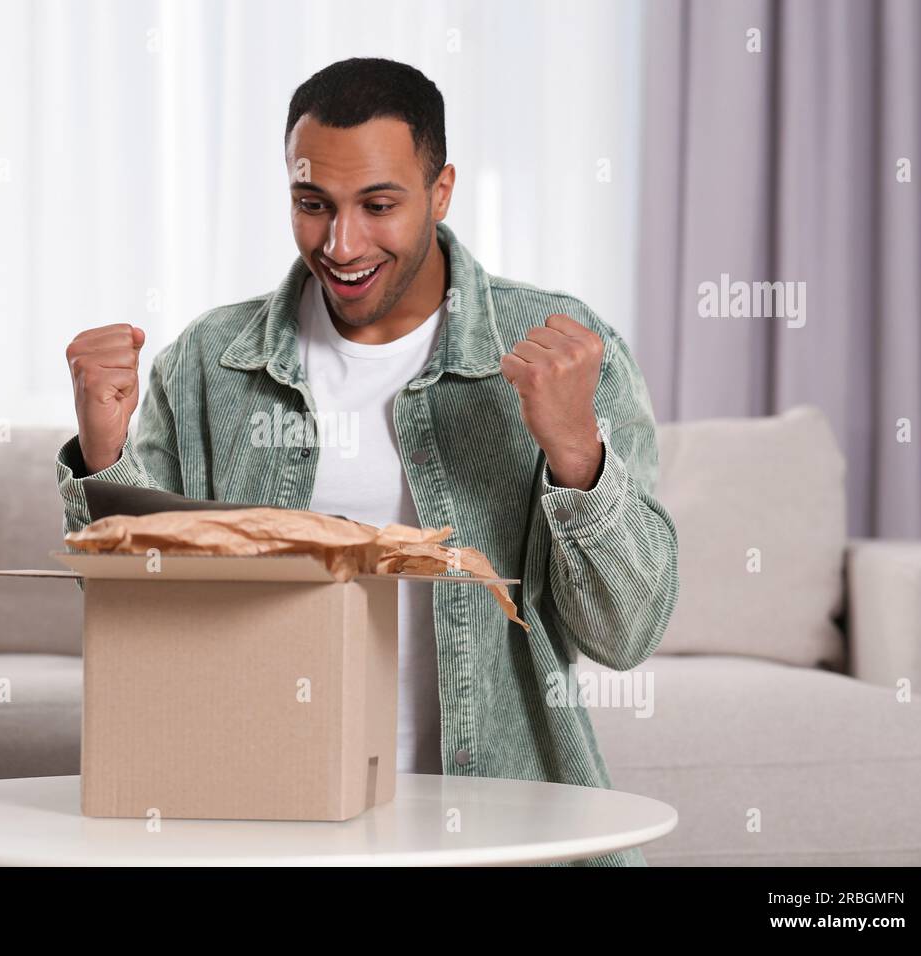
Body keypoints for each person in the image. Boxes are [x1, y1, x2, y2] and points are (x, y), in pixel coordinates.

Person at [58, 57, 679, 866]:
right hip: (266, 822)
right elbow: (140, 617)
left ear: (442, 190)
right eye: (312, 205)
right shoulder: (212, 363)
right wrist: (102, 450)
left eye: (378, 205)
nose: (341, 244)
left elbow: (627, 633)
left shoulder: (562, 348)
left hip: (504, 830)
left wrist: (574, 452)